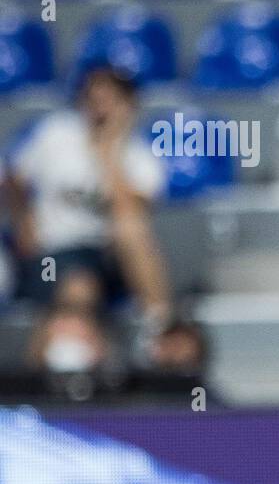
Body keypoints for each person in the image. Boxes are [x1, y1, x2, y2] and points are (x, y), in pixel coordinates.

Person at [3, 65, 176, 376]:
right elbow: (12, 177)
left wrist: (108, 152)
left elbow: (131, 212)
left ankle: (158, 330)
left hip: (113, 258)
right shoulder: (56, 134)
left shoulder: (140, 156)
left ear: (128, 106)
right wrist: (23, 219)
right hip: (53, 255)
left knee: (130, 228)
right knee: (79, 288)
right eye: (93, 98)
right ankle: (49, 378)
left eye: (109, 100)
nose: (99, 107)